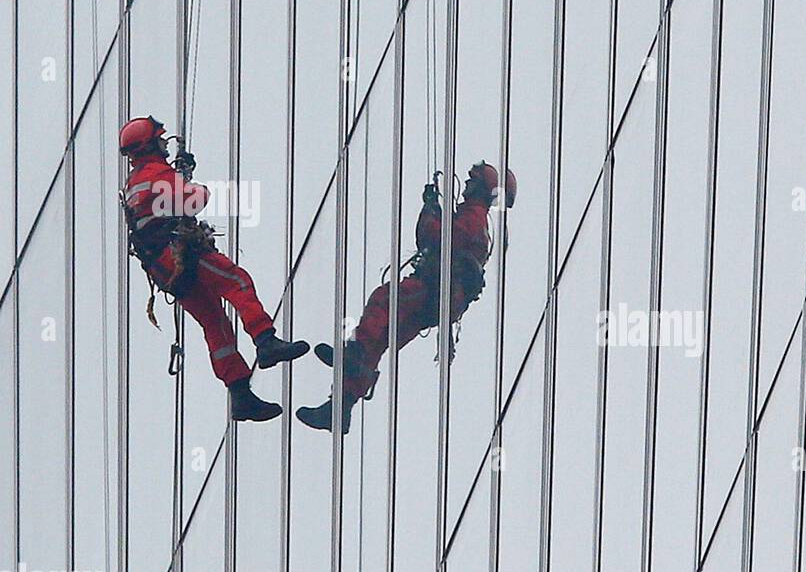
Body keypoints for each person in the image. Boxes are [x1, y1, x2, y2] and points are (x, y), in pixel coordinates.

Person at [296, 161, 516, 434]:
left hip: (431, 288)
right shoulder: (477, 221)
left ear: (482, 189)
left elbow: (433, 237)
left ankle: (354, 355)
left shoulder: (473, 217)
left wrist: (430, 208)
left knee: (383, 300)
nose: (466, 185)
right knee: (378, 340)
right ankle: (341, 407)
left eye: (473, 181)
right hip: (438, 301)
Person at [118, 116, 308, 421]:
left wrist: (181, 175)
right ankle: (265, 340)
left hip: (164, 269)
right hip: (178, 252)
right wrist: (196, 185)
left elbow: (162, 204)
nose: (165, 144)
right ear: (150, 144)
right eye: (160, 139)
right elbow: (191, 201)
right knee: (237, 281)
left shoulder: (137, 180)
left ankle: (240, 394)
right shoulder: (155, 172)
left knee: (214, 320)